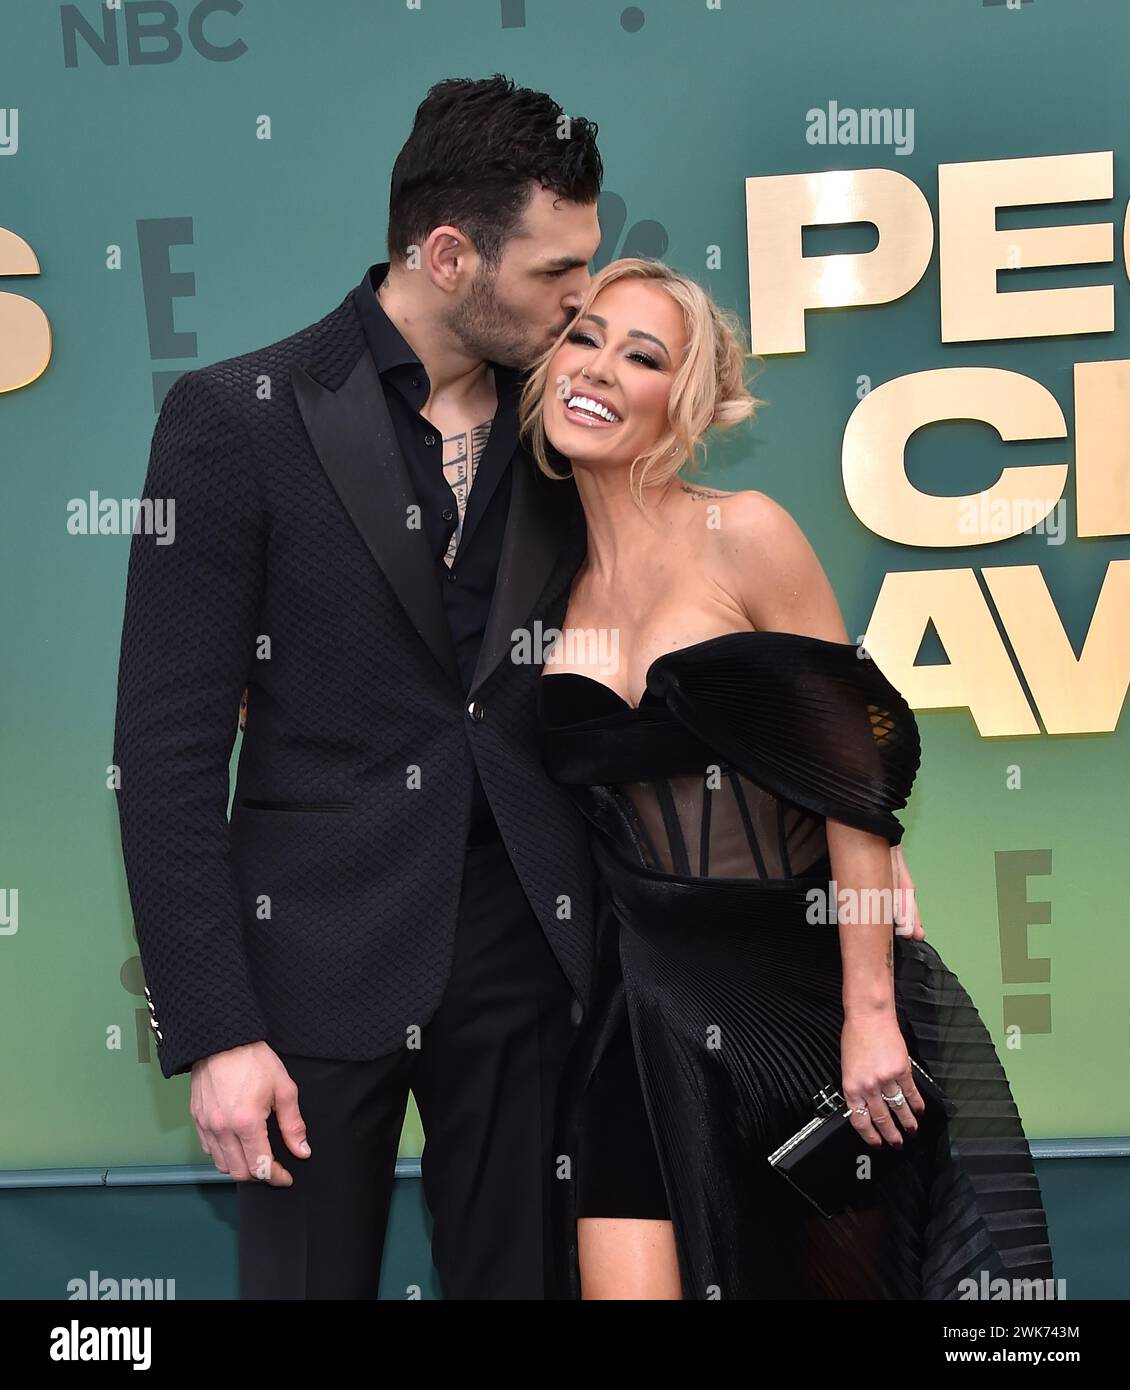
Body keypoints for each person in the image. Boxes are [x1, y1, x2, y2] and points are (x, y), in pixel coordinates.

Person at [111, 75, 608, 1300]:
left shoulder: (573, 427)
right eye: (554, 272)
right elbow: (164, 755)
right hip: (308, 964)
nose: (580, 299)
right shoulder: (235, 419)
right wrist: (218, 1029)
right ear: (448, 254)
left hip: (520, 954)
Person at [526, 257, 1055, 1299]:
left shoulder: (747, 533)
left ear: (680, 403)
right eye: (580, 336)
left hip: (805, 997)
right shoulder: (535, 583)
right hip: (643, 1013)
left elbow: (850, 786)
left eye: (639, 355)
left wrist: (868, 1010)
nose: (594, 367)